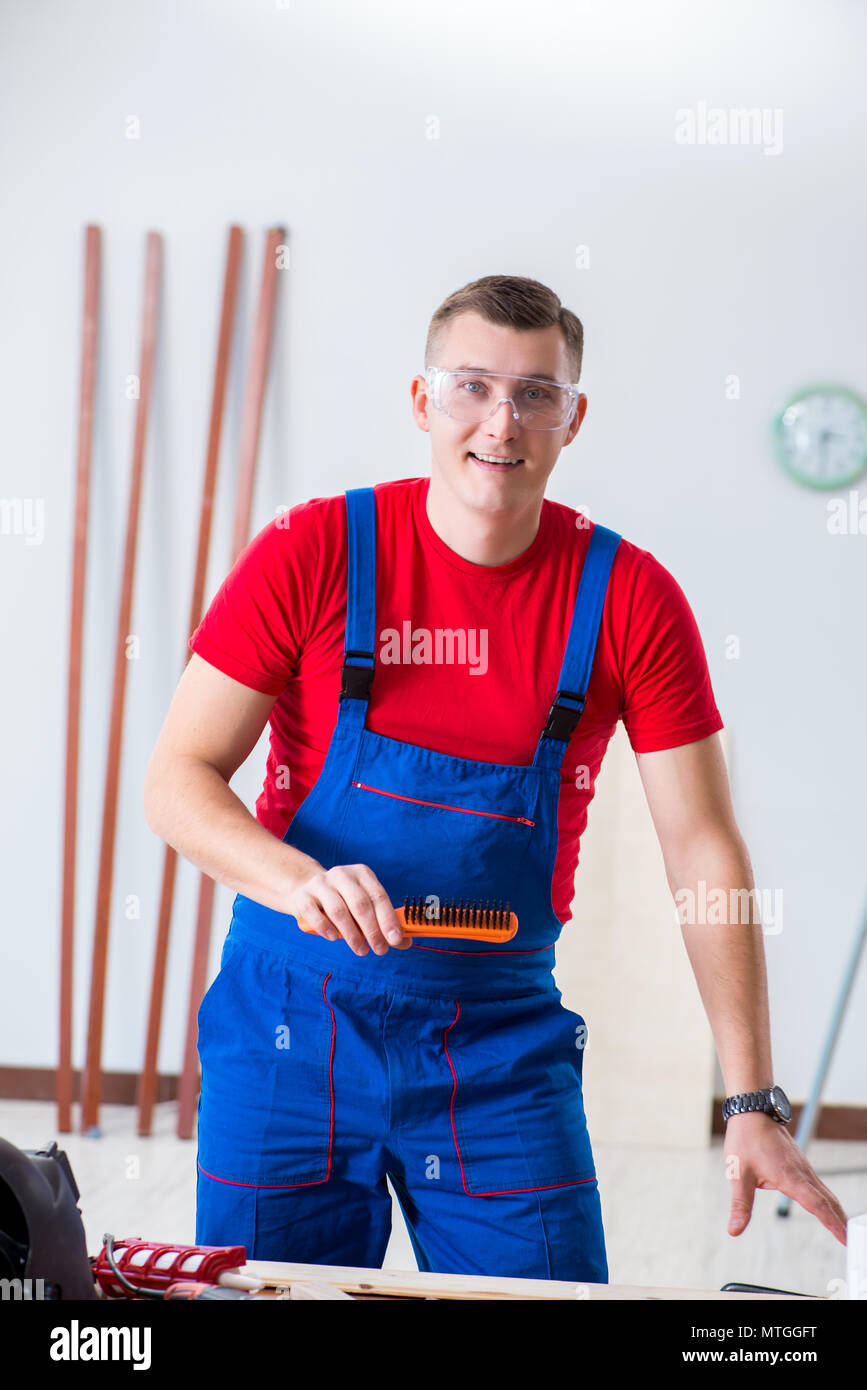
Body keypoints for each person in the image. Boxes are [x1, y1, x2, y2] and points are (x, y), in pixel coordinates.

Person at [143, 274, 848, 1282]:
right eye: (472, 386)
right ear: (424, 401)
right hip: (288, 1029)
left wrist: (749, 1099)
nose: (501, 420)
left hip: (497, 1046)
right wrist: (296, 880)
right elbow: (177, 777)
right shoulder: (313, 552)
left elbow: (702, 844)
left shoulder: (629, 599)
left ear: (573, 418)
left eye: (535, 393)